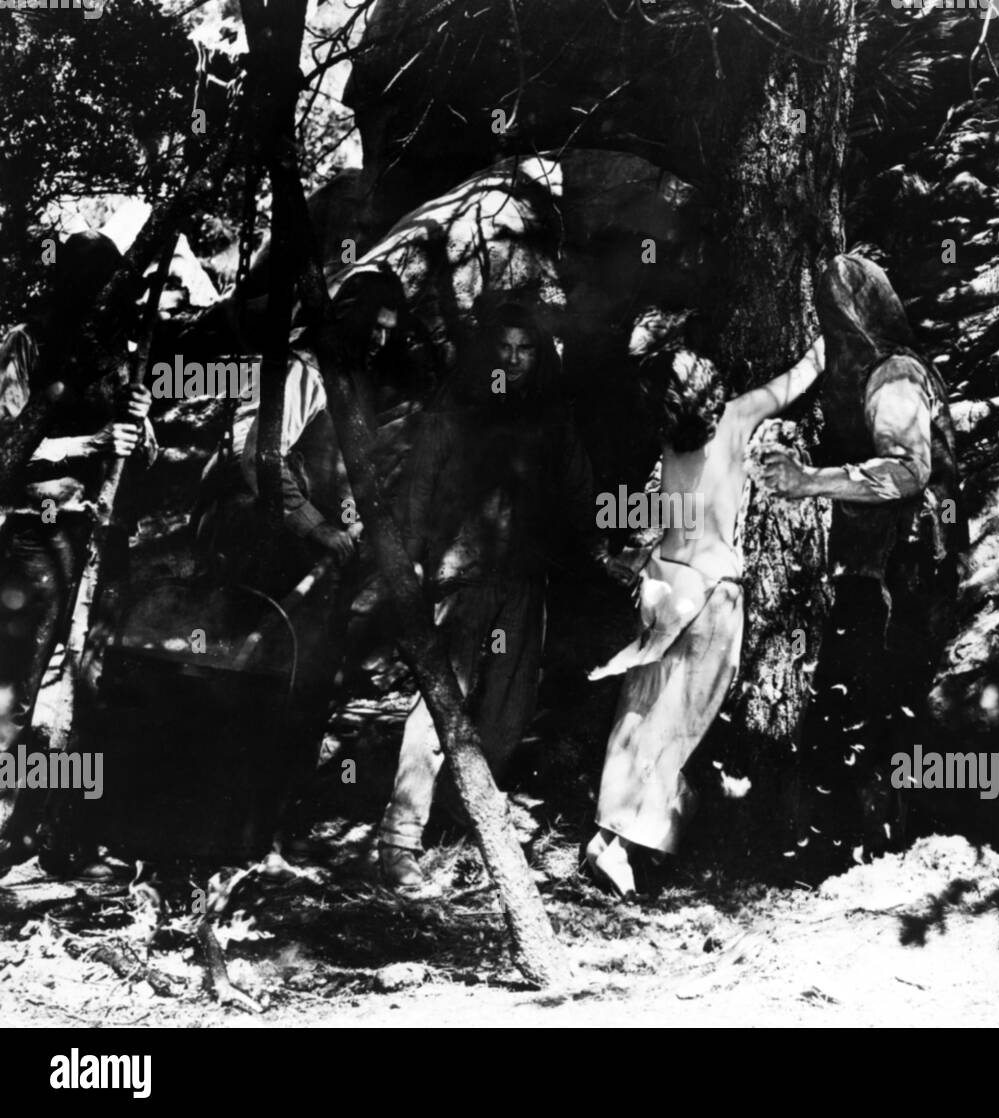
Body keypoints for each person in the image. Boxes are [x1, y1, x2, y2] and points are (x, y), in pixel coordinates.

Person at [378, 301, 624, 891]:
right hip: (461, 578)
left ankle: (465, 823)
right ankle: (398, 841)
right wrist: (409, 563)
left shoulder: (550, 418)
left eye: (525, 350)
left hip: (522, 581)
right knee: (440, 707)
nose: (513, 361)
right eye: (504, 348)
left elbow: (579, 490)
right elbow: (418, 489)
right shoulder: (456, 409)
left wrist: (604, 556)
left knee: (507, 714)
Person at [585, 338, 825, 896]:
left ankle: (608, 829)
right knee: (679, 728)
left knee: (640, 716)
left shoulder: (670, 440)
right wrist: (824, 340)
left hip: (663, 583)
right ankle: (624, 847)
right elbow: (798, 377)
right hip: (711, 592)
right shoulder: (738, 418)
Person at [192, 262, 407, 858]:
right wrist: (315, 527)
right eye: (375, 327)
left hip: (317, 563)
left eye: (391, 330)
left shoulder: (346, 378)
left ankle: (274, 825)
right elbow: (256, 455)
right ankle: (224, 829)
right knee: (253, 686)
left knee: (306, 691)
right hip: (268, 554)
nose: (381, 341)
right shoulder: (298, 371)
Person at [759, 249, 966, 866]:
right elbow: (800, 375)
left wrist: (808, 480)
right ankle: (862, 837)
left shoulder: (894, 379)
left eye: (831, 315)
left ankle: (864, 844)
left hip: (908, 564)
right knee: (863, 694)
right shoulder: (866, 363)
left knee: (871, 695)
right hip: (887, 562)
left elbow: (907, 472)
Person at [0, 232, 154, 874]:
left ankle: (61, 834)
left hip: (101, 534)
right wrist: (85, 444)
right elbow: (5, 451)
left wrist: (140, 426)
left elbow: (141, 454)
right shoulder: (26, 344)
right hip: (39, 533)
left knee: (86, 685)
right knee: (15, 688)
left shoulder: (119, 357)